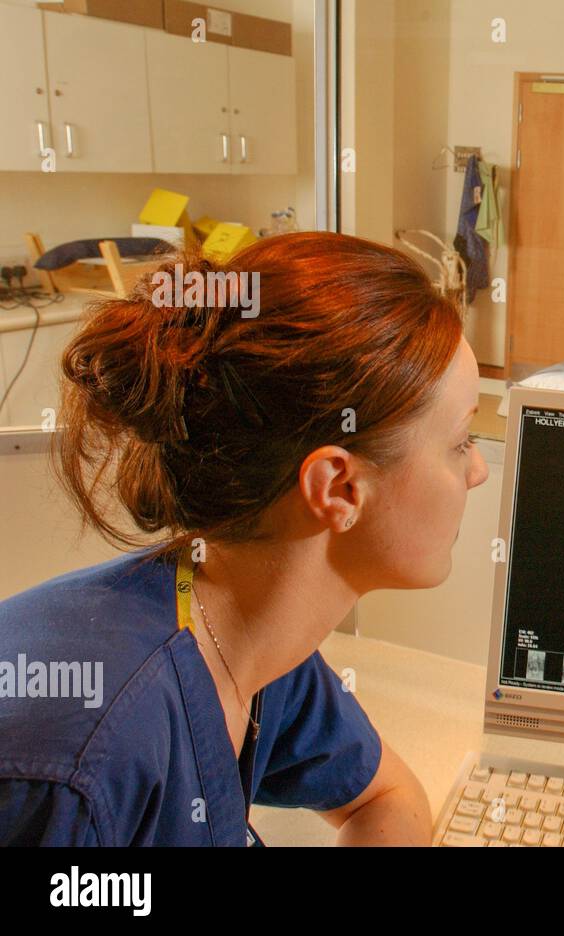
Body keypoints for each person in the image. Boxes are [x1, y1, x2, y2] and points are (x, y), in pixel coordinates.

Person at [0, 232, 489, 845]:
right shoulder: (78, 777)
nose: (478, 471)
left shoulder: (253, 642)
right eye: (461, 441)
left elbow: (390, 797)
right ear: (337, 488)